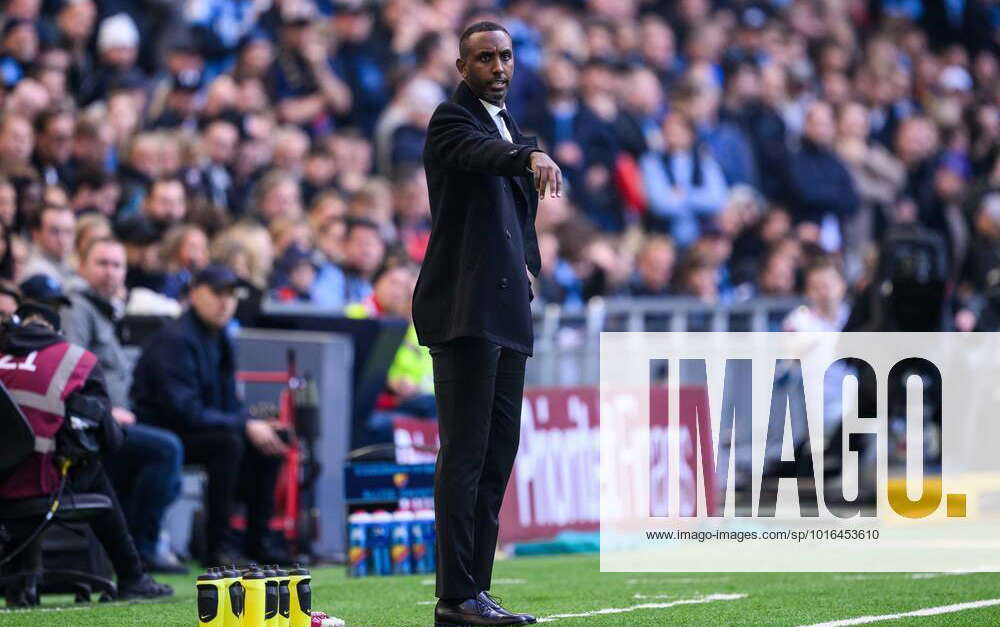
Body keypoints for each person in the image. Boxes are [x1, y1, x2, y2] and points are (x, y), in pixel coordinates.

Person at [414, 20, 562, 627]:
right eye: (484, 58)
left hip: (505, 312)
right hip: (464, 310)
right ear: (461, 67)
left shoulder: (513, 129)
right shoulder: (453, 122)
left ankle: (476, 592)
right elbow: (486, 157)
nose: (498, 67)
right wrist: (528, 154)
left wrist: (529, 265)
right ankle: (455, 596)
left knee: (498, 454)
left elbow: (518, 215)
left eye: (505, 56)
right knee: (466, 455)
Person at [0, 300, 172, 601]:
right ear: (56, 330)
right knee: (93, 471)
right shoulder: (74, 359)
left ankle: (21, 578)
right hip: (41, 485)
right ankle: (133, 577)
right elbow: (110, 438)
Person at [130, 264, 287, 566]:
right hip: (162, 431)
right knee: (228, 443)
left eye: (231, 295)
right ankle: (218, 548)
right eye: (217, 293)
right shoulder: (175, 339)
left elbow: (228, 402)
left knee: (270, 444)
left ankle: (259, 543)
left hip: (199, 427)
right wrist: (244, 425)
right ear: (194, 294)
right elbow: (182, 411)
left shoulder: (220, 337)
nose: (225, 302)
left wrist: (256, 424)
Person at [61, 237, 186, 574]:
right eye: (102, 263)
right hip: (92, 424)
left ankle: (131, 544)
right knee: (166, 450)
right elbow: (68, 371)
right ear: (82, 266)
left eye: (117, 265)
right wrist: (105, 410)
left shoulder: (104, 311)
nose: (110, 272)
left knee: (173, 444)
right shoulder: (76, 308)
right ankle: (140, 551)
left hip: (117, 418)